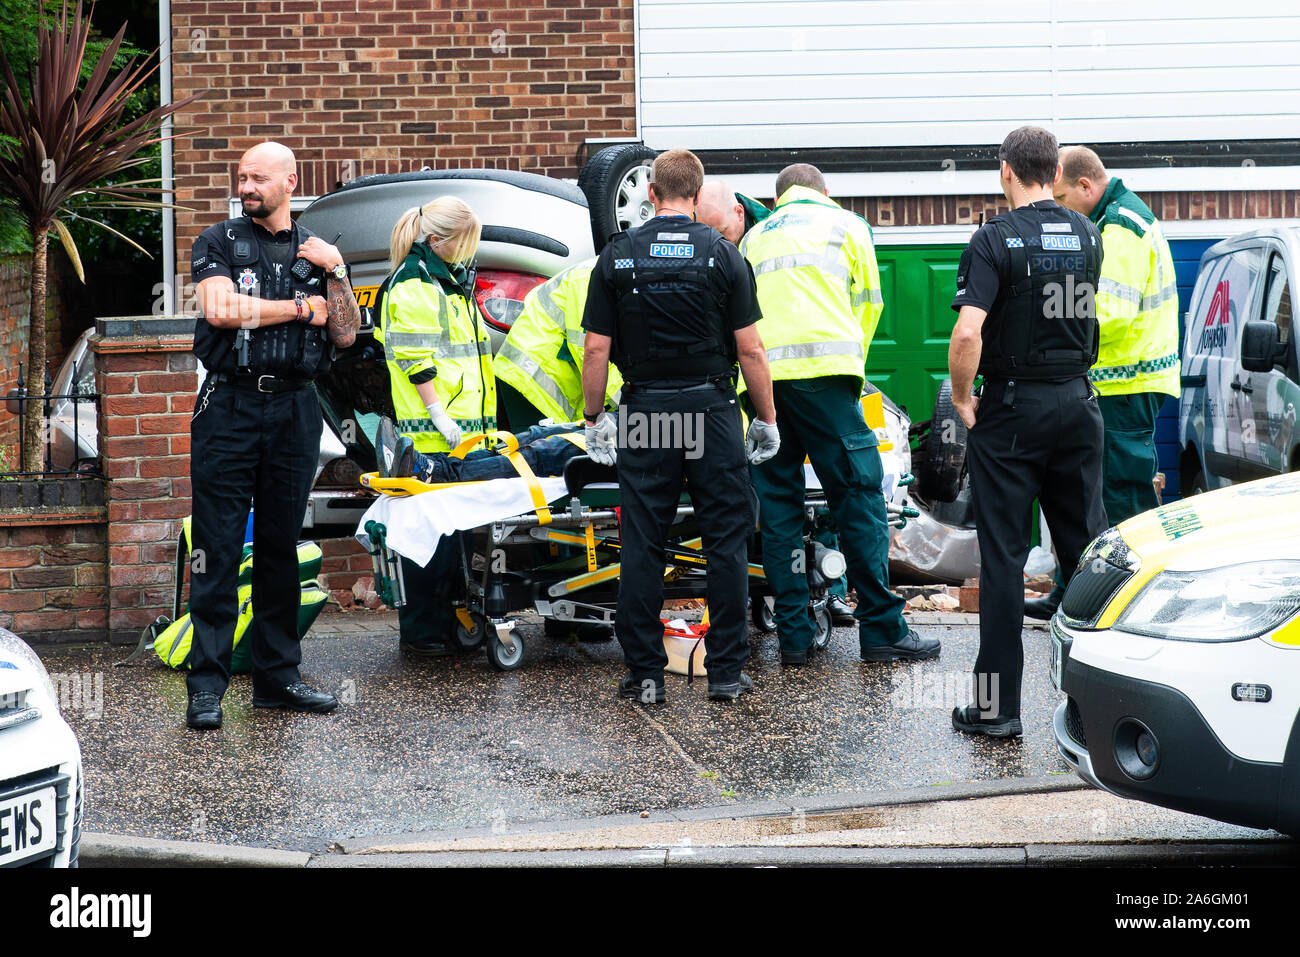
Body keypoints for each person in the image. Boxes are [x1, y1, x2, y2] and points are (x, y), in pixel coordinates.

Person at [580, 148, 780, 703]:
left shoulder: (617, 257)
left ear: (650, 194)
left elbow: (596, 348)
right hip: (712, 414)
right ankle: (726, 675)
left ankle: (645, 674)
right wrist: (765, 419)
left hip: (648, 415)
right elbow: (752, 350)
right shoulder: (723, 255)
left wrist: (595, 417)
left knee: (644, 541)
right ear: (696, 196)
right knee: (725, 542)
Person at [186, 142, 360, 730]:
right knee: (217, 546)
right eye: (241, 177)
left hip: (294, 409)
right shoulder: (217, 241)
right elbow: (219, 309)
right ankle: (206, 686)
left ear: (290, 181)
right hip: (230, 406)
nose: (246, 186)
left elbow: (345, 335)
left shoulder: (318, 252)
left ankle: (278, 679)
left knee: (282, 549)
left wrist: (335, 273)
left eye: (258, 177)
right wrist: (298, 308)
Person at [737, 163, 937, 667]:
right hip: (828, 382)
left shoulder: (753, 239)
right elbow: (869, 304)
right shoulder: (846, 224)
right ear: (825, 191)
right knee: (859, 496)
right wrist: (852, 367)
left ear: (778, 198)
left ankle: (795, 639)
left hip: (765, 392)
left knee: (779, 510)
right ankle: (882, 630)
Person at [948, 126, 1108, 738]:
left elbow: (968, 334)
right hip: (1078, 403)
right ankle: (1099, 709)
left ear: (1006, 171)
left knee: (1004, 560)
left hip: (1014, 413)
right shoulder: (1089, 234)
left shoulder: (995, 239)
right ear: (1053, 171)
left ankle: (997, 711)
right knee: (1087, 558)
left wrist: (964, 400)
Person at [1024, 146, 1181, 619]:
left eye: (1063, 197)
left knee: (1121, 493)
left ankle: (1137, 606)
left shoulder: (1122, 227)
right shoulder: (1113, 220)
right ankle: (1074, 592)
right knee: (1084, 492)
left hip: (1127, 385)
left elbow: (1109, 312)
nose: (1059, 208)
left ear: (1086, 187)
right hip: (1113, 383)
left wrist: (1046, 329)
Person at [697, 179, 856, 628]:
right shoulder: (736, 239)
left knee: (794, 501)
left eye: (719, 230)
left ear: (740, 215)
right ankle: (819, 618)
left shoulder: (757, 239)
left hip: (777, 382)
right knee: (824, 494)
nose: (716, 240)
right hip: (798, 381)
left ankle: (811, 612)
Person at [374, 197, 497, 656]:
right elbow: (414, 359)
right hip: (431, 438)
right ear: (436, 241)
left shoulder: (445, 282)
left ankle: (445, 626)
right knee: (429, 542)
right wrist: (439, 415)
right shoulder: (414, 285)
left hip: (461, 438)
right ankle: (424, 633)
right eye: (464, 243)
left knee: (450, 539)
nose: (470, 252)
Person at [491, 258, 622, 430]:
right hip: (528, 375)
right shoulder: (589, 279)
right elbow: (590, 348)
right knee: (536, 452)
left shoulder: (608, 272)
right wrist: (627, 398)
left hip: (537, 373)